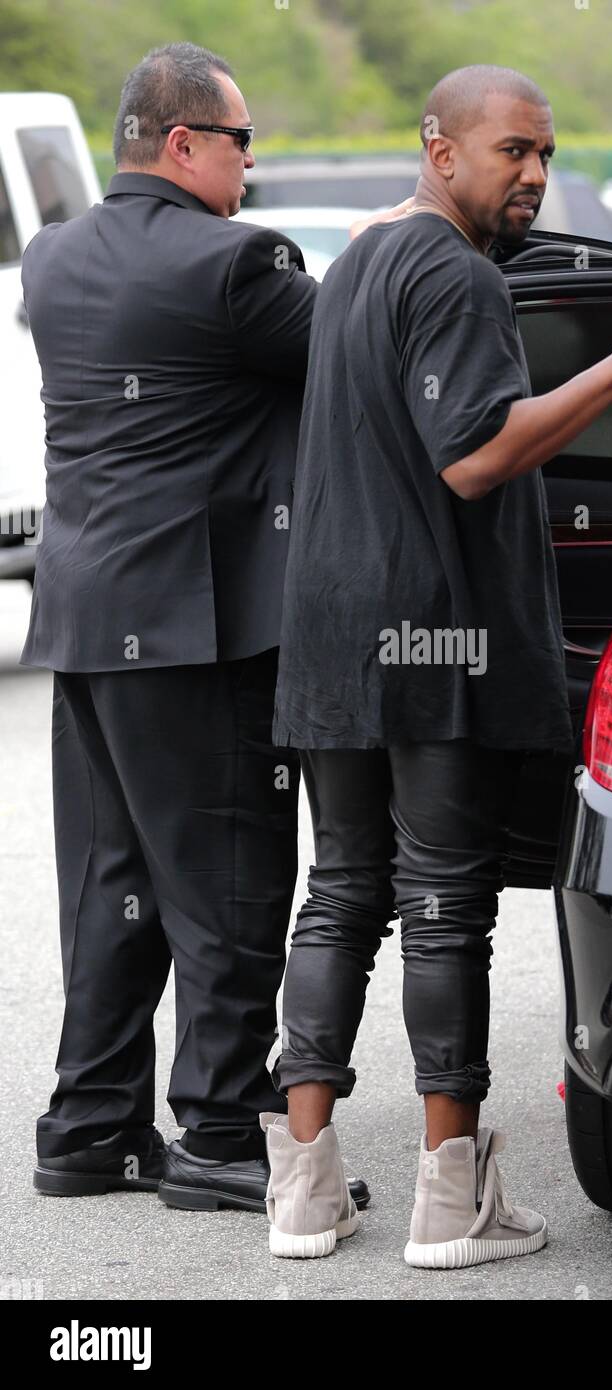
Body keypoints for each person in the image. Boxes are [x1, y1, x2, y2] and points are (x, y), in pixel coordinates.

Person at [263, 63, 612, 1266]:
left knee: (343, 891)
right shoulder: (455, 276)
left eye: (545, 154)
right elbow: (471, 458)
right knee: (442, 905)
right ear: (439, 147)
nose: (533, 173)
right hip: (428, 637)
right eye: (512, 150)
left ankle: (303, 1189)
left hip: (330, 633)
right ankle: (447, 1199)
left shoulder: (359, 259)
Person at [22, 42, 379, 1214]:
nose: (251, 167)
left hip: (84, 619)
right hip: (199, 627)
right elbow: (356, 362)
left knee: (112, 882)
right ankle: (221, 1132)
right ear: (184, 145)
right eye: (241, 145)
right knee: (225, 879)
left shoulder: (51, 258)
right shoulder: (238, 266)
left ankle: (89, 1126)